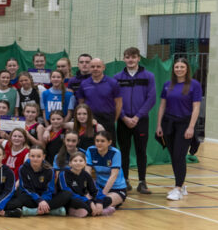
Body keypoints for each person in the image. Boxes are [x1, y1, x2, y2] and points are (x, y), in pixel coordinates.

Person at [156, 57, 202, 201]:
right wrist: (159, 125)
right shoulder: (167, 84)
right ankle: (181, 186)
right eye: (177, 67)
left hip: (185, 124)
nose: (179, 69)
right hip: (168, 123)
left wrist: (191, 127)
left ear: (187, 69)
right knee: (173, 156)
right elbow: (162, 105)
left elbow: (196, 107)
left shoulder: (194, 85)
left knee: (179, 155)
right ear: (173, 69)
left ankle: (177, 188)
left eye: (182, 67)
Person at [115, 47, 156, 194]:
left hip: (141, 121)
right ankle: (124, 181)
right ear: (124, 59)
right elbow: (115, 100)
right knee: (124, 151)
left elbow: (151, 99)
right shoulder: (117, 77)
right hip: (123, 120)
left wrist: (137, 116)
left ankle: (142, 182)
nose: (130, 60)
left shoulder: (148, 76)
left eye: (133, 57)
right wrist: (124, 117)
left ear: (139, 58)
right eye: (127, 57)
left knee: (141, 151)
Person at [13, 146, 69, 217]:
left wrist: (43, 200)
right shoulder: (23, 168)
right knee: (19, 196)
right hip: (31, 197)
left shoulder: (49, 169)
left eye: (38, 156)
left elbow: (49, 190)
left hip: (45, 197)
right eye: (32, 156)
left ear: (43, 157)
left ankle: (34, 211)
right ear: (29, 156)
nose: (35, 159)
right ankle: (51, 210)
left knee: (67, 194)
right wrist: (39, 200)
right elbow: (25, 188)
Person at [75, 58, 121, 136]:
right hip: (90, 118)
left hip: (108, 118)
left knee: (108, 144)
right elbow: (81, 103)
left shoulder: (112, 83)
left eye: (98, 66)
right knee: (90, 143)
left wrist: (114, 119)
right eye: (92, 67)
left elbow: (119, 103)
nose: (95, 69)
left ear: (103, 67)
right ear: (89, 68)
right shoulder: (84, 84)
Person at [59, 151, 113, 217]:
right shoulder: (64, 174)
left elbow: (95, 190)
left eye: (81, 161)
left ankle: (91, 210)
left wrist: (99, 202)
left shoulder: (86, 175)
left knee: (108, 199)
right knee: (77, 201)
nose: (78, 163)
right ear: (70, 163)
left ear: (85, 163)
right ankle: (99, 211)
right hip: (71, 199)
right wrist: (89, 202)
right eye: (75, 161)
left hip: (83, 199)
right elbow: (67, 192)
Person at [86, 130, 126, 209]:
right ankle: (106, 209)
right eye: (97, 141)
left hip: (117, 189)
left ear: (109, 142)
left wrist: (102, 195)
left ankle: (105, 207)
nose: (99, 143)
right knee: (86, 199)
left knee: (103, 201)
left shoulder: (115, 153)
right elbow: (87, 173)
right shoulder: (91, 150)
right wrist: (88, 191)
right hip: (98, 187)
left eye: (102, 141)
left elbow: (113, 176)